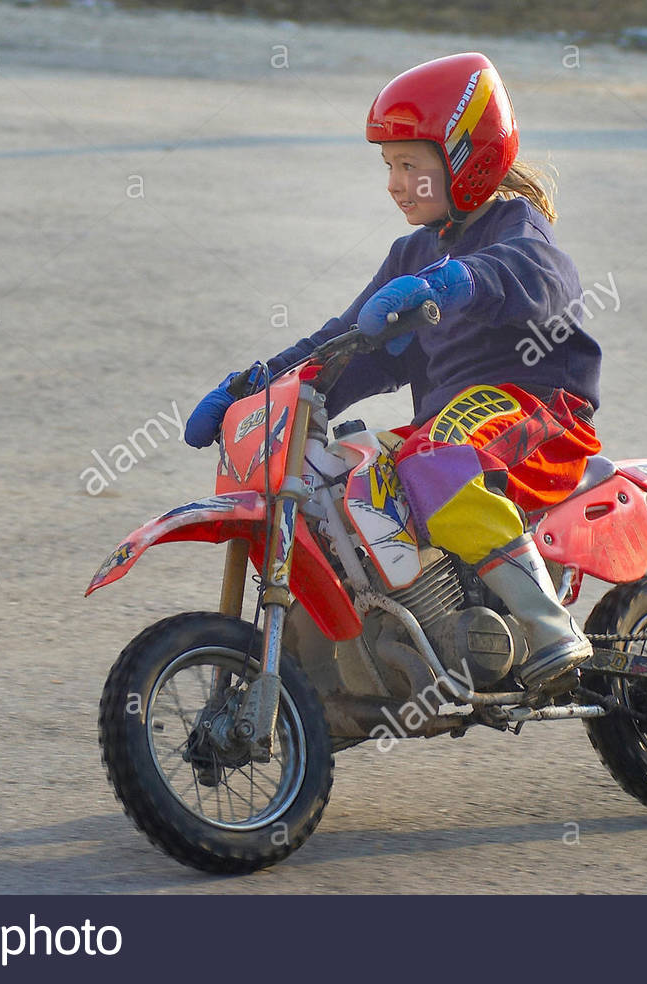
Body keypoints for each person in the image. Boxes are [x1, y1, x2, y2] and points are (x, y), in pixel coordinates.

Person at [183, 52, 603, 692]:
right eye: (388, 166)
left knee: (427, 460)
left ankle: (551, 630)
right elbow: (347, 345)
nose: (394, 182)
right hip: (453, 428)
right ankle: (370, 664)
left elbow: (541, 276)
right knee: (344, 483)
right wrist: (258, 384)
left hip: (539, 412)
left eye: (410, 165)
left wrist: (454, 280)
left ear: (467, 156)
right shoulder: (410, 253)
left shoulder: (515, 229)